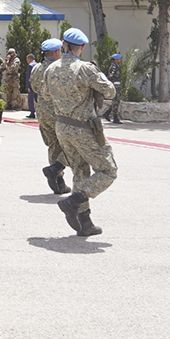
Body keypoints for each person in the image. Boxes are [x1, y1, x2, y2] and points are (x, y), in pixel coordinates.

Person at [45, 28, 117, 237]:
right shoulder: (85, 69)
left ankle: (85, 222)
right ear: (82, 47)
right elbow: (110, 90)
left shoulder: (51, 69)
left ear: (63, 44)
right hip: (83, 127)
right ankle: (74, 200)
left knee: (80, 171)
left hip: (62, 126)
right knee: (108, 170)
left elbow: (47, 96)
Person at [29, 39, 71, 195]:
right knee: (72, 144)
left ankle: (59, 181)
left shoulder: (37, 68)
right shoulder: (59, 68)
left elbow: (34, 87)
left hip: (43, 111)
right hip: (58, 111)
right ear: (56, 52)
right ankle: (56, 169)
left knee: (53, 146)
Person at [101, 53, 123, 124]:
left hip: (117, 84)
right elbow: (110, 76)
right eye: (119, 59)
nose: (120, 60)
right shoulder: (113, 67)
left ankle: (107, 113)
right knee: (116, 101)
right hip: (115, 85)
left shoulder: (117, 66)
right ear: (116, 60)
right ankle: (115, 118)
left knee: (116, 101)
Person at [25, 53, 38, 118]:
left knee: (30, 100)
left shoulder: (30, 65)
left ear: (29, 58)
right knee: (37, 99)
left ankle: (32, 113)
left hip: (32, 85)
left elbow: (28, 77)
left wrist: (28, 86)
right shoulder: (38, 64)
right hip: (37, 85)